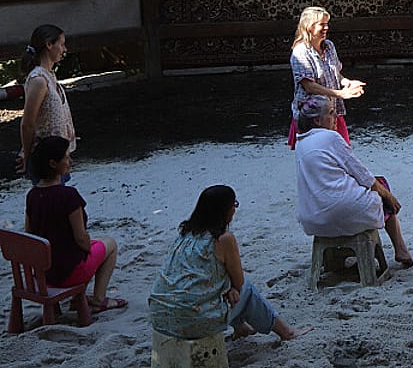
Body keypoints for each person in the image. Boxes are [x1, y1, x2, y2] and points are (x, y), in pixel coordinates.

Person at [149, 185, 302, 341]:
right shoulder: (223, 239)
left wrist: (229, 288)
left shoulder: (185, 234)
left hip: (160, 316)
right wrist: (232, 288)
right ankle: (286, 332)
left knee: (222, 286)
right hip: (193, 321)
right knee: (246, 290)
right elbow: (239, 282)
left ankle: (240, 327)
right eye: (234, 205)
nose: (234, 210)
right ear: (225, 210)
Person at [294, 96, 413, 267]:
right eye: (331, 112)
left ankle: (331, 260)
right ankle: (401, 249)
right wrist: (389, 197)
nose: (336, 116)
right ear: (317, 120)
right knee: (381, 185)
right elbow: (363, 175)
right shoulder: (330, 138)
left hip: (313, 219)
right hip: (342, 213)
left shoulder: (301, 143)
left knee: (371, 187)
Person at [25, 136, 125, 313]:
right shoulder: (69, 196)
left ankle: (79, 299)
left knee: (92, 245)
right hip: (69, 272)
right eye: (66, 157)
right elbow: (81, 239)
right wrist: (87, 246)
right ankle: (98, 299)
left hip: (43, 273)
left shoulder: (33, 195)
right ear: (53, 163)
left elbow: (29, 234)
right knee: (109, 244)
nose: (70, 161)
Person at [288, 6, 364, 149]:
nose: (326, 28)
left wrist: (347, 82)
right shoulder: (300, 53)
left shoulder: (329, 46)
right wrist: (340, 94)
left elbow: (336, 73)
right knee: (319, 155)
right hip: (313, 116)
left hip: (331, 111)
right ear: (309, 27)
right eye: (321, 24)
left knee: (340, 153)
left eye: (326, 24)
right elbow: (309, 86)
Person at [17, 24, 77, 181]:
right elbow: (27, 123)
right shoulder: (38, 80)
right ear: (49, 45)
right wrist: (27, 156)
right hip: (46, 161)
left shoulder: (49, 75)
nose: (64, 50)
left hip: (58, 157)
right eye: (61, 44)